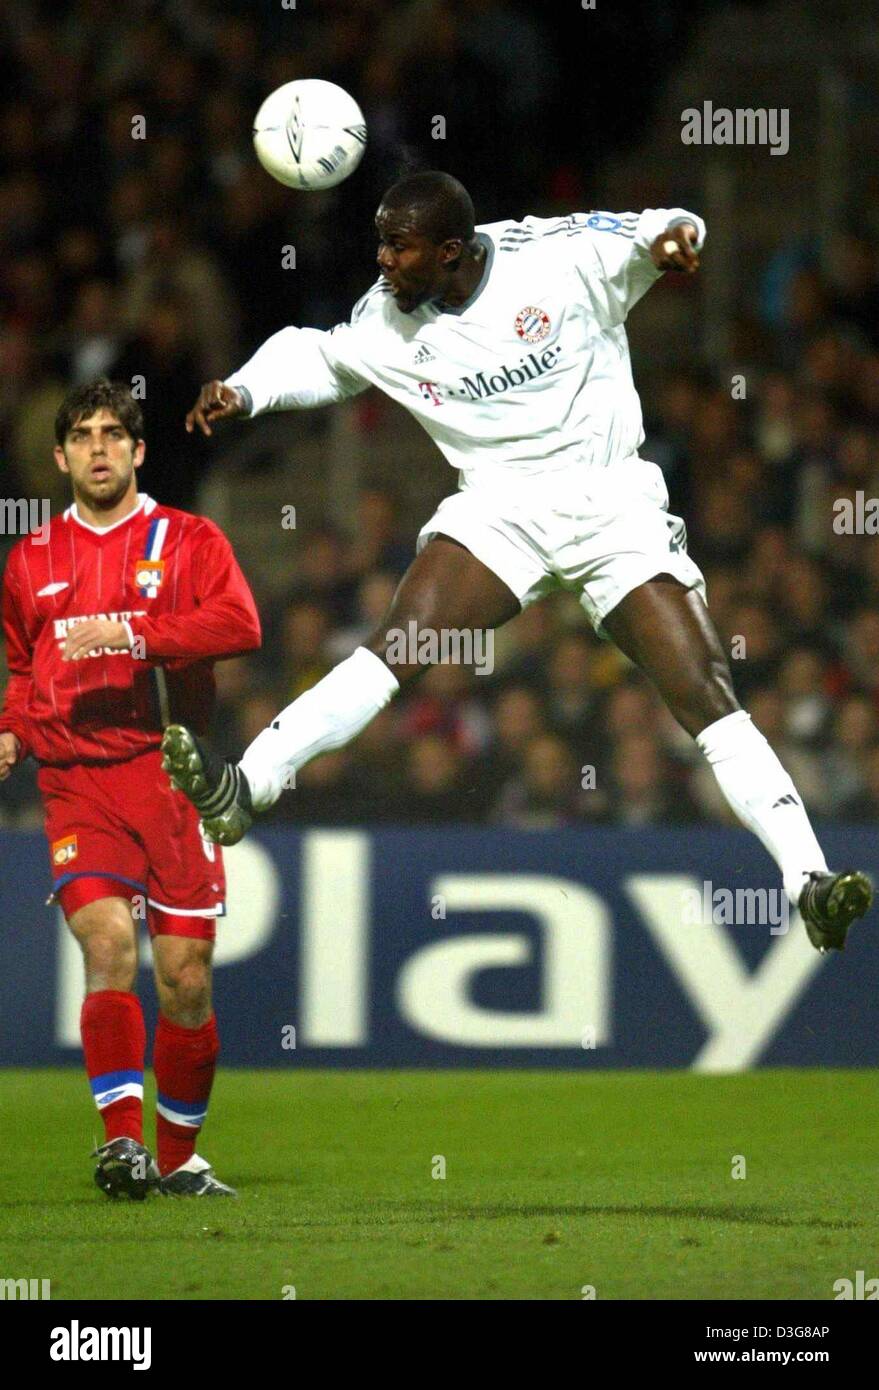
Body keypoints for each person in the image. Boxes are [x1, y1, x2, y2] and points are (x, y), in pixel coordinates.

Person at [165, 170, 871, 954]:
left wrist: (680, 240)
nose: (383, 262)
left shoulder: (557, 258)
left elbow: (659, 224)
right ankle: (245, 788)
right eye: (379, 245)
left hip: (610, 507)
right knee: (395, 646)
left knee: (704, 692)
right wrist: (243, 389)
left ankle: (807, 883)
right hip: (499, 509)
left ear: (453, 250)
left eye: (399, 248)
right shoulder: (386, 321)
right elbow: (323, 358)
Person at [0, 379, 261, 1199]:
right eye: (83, 435)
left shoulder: (187, 539)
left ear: (139, 451)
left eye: (115, 433)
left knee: (185, 977)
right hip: (77, 781)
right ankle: (121, 1146)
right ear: (60, 456)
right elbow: (19, 665)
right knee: (108, 946)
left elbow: (240, 626)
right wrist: (11, 728)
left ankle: (180, 1158)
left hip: (171, 776)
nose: (100, 447)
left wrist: (137, 632)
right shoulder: (30, 557)